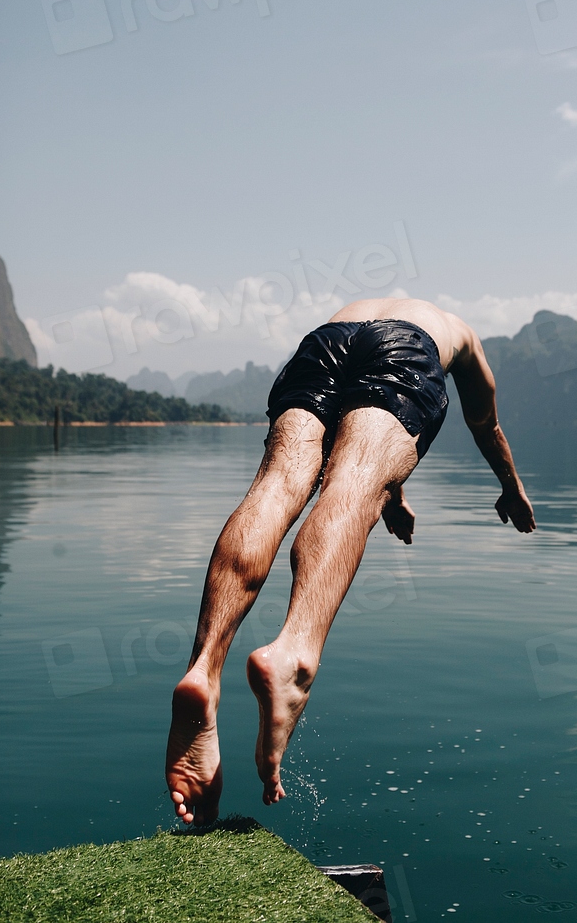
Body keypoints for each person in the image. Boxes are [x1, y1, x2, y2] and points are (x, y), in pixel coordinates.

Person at [165, 298, 535, 825]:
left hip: (321, 343)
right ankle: (294, 653)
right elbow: (486, 424)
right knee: (356, 485)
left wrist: (397, 493)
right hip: (404, 352)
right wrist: (511, 487)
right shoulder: (460, 333)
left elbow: (355, 417)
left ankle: (202, 670)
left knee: (277, 484)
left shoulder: (362, 309)